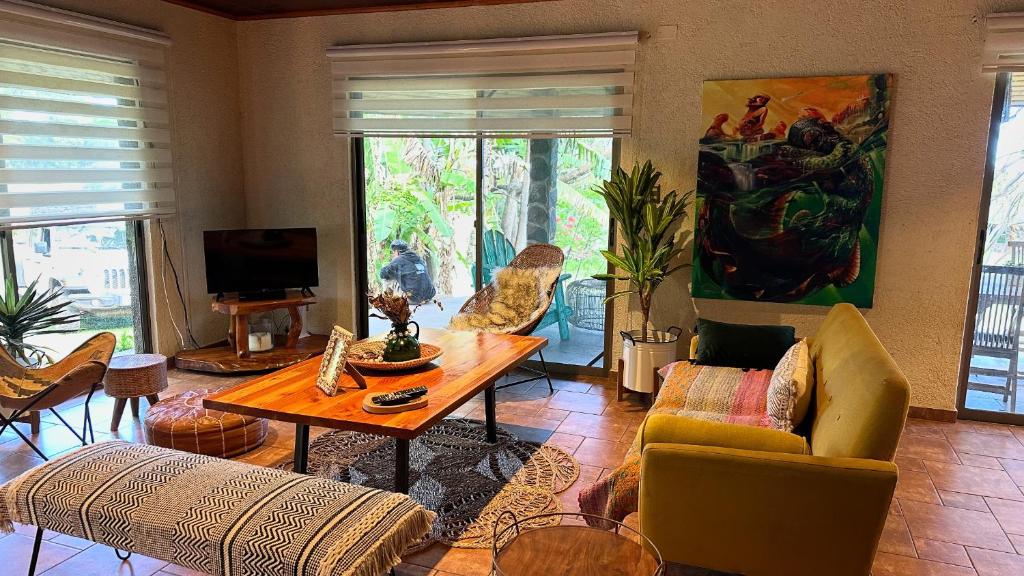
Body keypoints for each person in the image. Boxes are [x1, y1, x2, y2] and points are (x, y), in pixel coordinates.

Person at [379, 239, 436, 304]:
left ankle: (387, 302)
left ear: (396, 252)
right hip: (428, 296)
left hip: (414, 299)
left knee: (387, 278)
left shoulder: (398, 260)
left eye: (393, 252)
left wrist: (392, 263)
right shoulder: (418, 257)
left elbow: (382, 274)